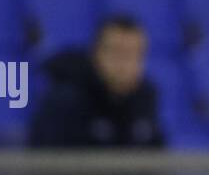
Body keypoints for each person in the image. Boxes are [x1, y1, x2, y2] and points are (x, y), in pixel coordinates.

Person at [27, 16, 163, 148]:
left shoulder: (146, 97)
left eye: (134, 55)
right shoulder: (66, 99)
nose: (124, 64)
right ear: (96, 54)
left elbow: (158, 157)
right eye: (117, 53)